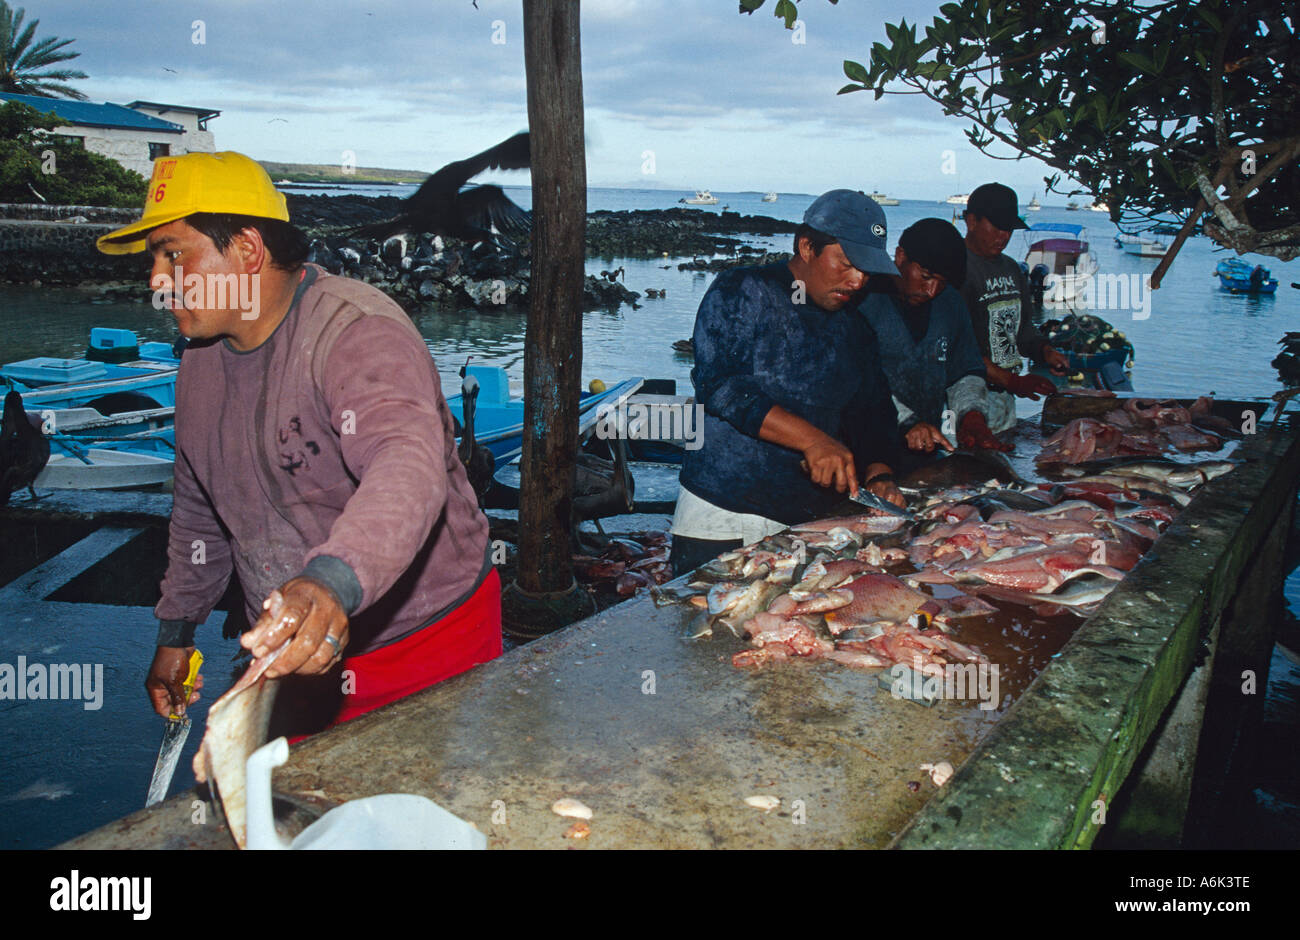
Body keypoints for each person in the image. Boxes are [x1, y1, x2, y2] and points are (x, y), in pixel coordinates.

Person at [97, 151, 501, 737]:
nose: (156, 278)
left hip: (425, 642)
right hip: (294, 654)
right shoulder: (198, 366)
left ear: (247, 249)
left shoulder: (356, 331)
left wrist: (331, 582)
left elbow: (406, 463)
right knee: (300, 818)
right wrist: (176, 631)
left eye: (173, 253)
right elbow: (199, 513)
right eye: (154, 258)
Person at [670, 190, 908, 576]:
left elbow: (874, 411)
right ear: (807, 246)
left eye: (867, 269)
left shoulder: (856, 326)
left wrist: (879, 473)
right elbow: (722, 387)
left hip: (811, 522)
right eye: (847, 263)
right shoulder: (742, 290)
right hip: (723, 514)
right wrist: (813, 440)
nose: (859, 279)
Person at [858, 218, 1008, 453]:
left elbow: (965, 370)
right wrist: (908, 422)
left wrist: (971, 417)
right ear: (900, 257)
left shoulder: (950, 303)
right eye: (926, 276)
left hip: (927, 448)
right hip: (864, 451)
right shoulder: (862, 299)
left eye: (942, 282)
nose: (932, 291)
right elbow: (856, 379)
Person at [959, 183, 1070, 432]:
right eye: (996, 226)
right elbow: (958, 349)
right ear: (971, 221)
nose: (1003, 236)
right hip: (964, 402)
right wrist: (1012, 381)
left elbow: (1022, 331)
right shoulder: (956, 268)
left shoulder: (1011, 269)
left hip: (1004, 399)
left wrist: (1044, 351)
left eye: (1008, 228)